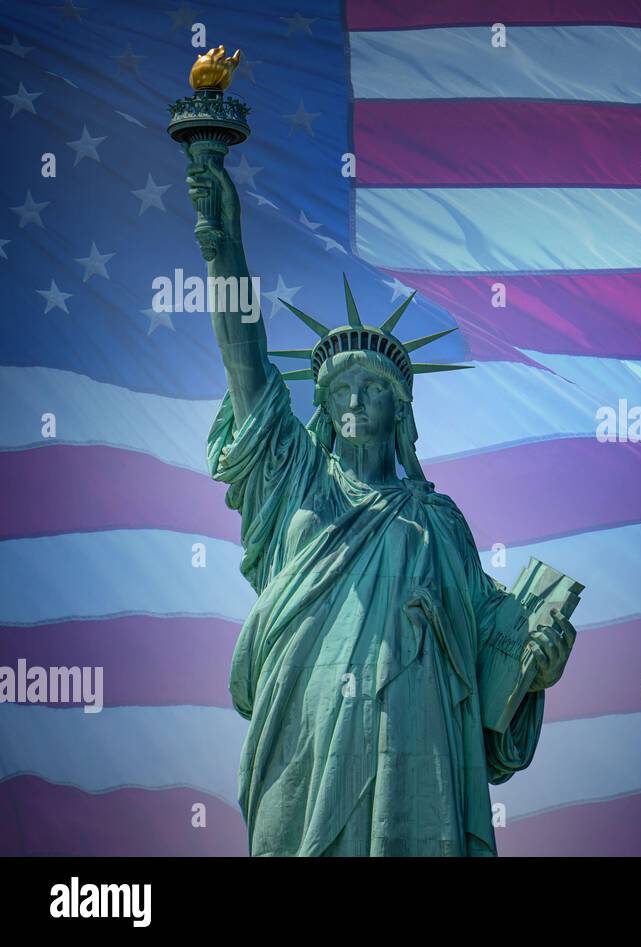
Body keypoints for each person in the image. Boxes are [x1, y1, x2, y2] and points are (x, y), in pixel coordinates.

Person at [185, 145, 576, 856]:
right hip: (303, 730)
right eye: (339, 387)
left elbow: (494, 644)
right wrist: (223, 242)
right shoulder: (296, 481)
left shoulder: (437, 523)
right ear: (323, 407)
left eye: (372, 388)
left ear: (401, 412)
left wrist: (536, 661)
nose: (354, 398)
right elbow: (244, 359)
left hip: (416, 736)